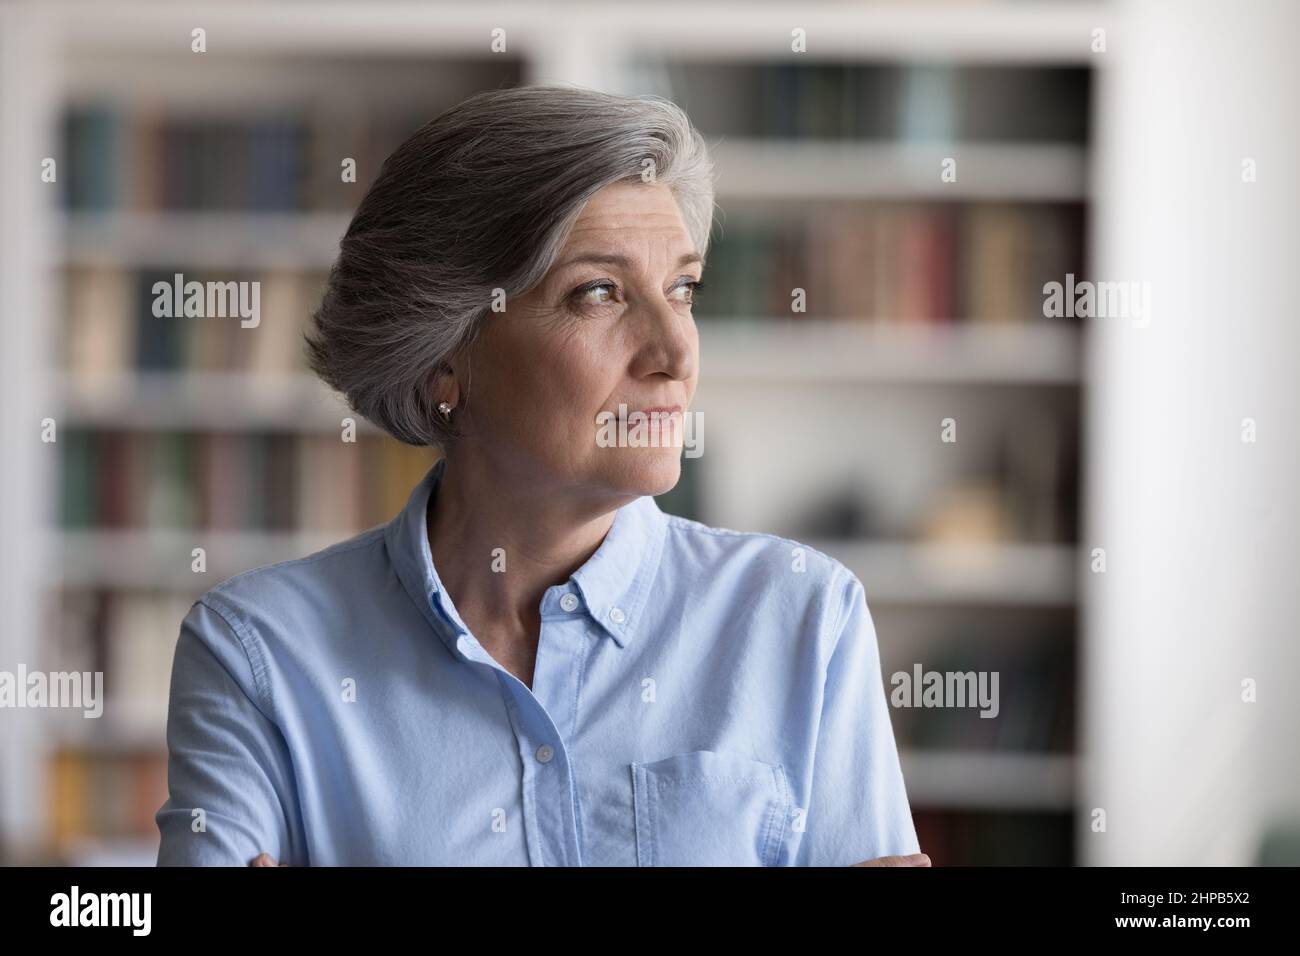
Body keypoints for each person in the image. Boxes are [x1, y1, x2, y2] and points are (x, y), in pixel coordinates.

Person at [156, 85, 926, 867]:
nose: (676, 352)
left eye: (682, 290)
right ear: (443, 356)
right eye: (599, 293)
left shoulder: (803, 617)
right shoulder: (258, 652)